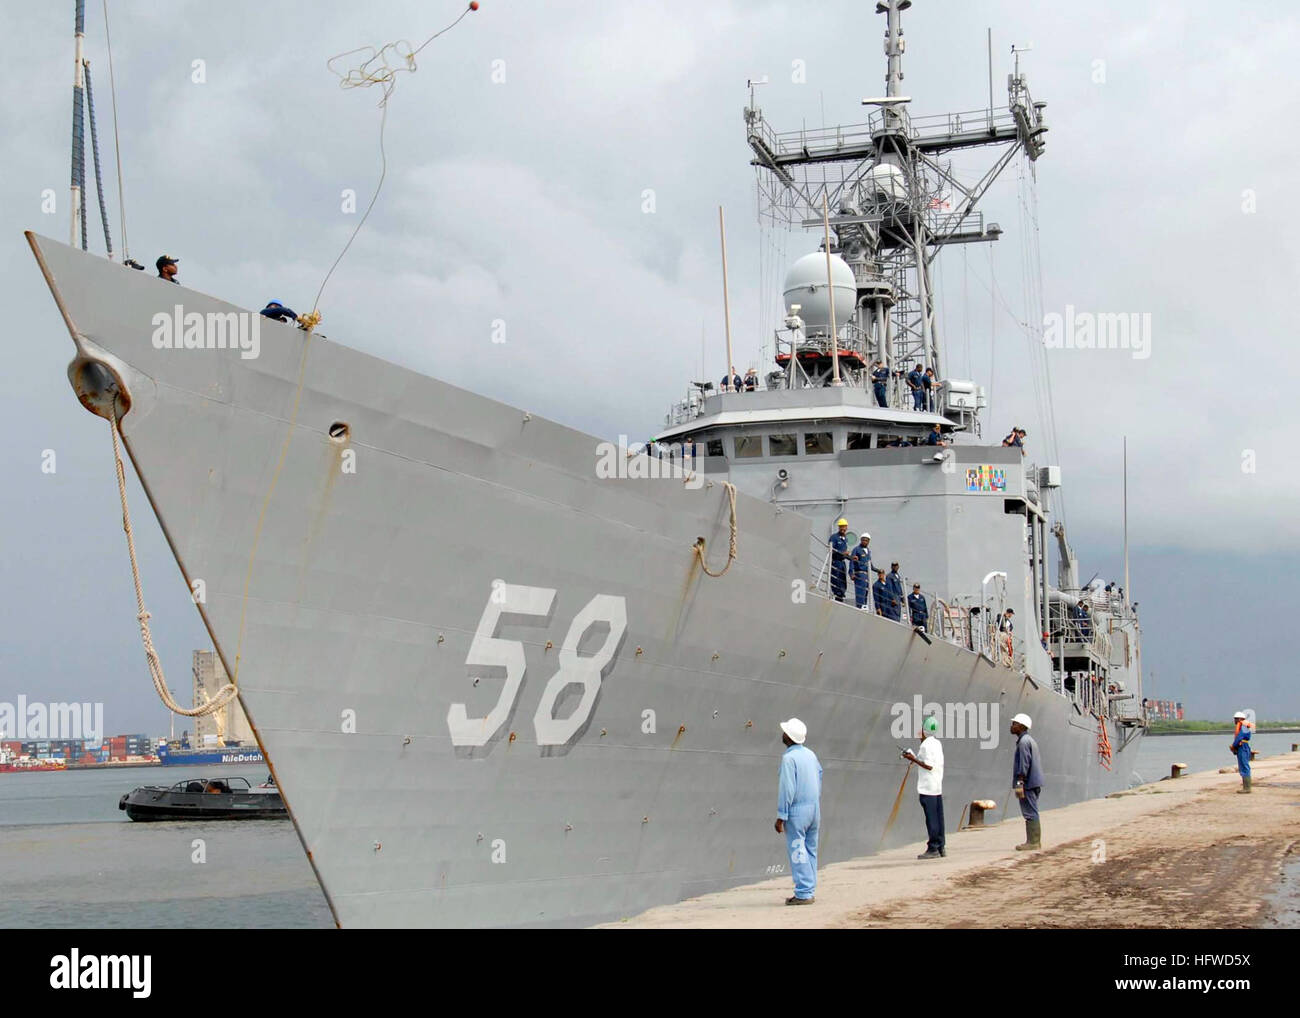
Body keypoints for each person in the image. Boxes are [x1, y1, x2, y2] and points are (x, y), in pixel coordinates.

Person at [775, 718, 822, 905]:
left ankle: (803, 893)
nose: (782, 733)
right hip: (814, 808)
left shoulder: (789, 758)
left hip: (797, 810)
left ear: (788, 736)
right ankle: (810, 888)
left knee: (797, 850)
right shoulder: (811, 755)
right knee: (811, 850)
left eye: (785, 731)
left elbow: (787, 789)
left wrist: (781, 816)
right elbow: (819, 775)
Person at [901, 715, 945, 858]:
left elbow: (928, 765)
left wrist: (911, 758)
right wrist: (915, 758)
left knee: (931, 818)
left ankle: (933, 848)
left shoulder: (926, 745)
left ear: (924, 731)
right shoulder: (937, 744)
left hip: (928, 787)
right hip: (937, 786)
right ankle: (941, 847)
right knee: (939, 818)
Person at [1010, 713, 1043, 850]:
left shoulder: (1023, 742)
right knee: (1031, 809)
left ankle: (1033, 842)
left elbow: (1023, 764)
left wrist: (1020, 783)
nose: (1012, 726)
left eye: (1014, 724)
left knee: (1029, 810)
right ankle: (1033, 841)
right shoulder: (1030, 740)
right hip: (1034, 781)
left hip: (1026, 782)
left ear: (1022, 726)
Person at [1230, 711, 1253, 794]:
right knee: (1243, 766)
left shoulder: (1243, 727)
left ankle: (1247, 788)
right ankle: (1246, 787)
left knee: (1244, 766)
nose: (1234, 721)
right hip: (1242, 746)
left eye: (1236, 719)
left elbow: (1239, 738)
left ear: (1240, 719)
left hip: (1242, 747)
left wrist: (1233, 746)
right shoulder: (1243, 726)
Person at [828, 519, 851, 602]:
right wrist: (842, 553)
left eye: (844, 527)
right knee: (836, 581)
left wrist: (852, 558)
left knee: (842, 581)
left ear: (846, 527)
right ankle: (837, 596)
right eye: (841, 526)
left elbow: (844, 553)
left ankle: (841, 596)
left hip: (842, 563)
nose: (843, 528)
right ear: (839, 527)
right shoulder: (834, 537)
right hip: (836, 562)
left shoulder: (845, 539)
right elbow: (831, 550)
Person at [849, 533, 873, 610]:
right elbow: (852, 561)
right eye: (863, 540)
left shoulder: (868, 551)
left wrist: (878, 570)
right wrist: (851, 573)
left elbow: (870, 565)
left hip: (867, 575)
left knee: (865, 593)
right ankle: (860, 608)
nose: (865, 542)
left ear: (869, 541)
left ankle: (864, 608)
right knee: (860, 594)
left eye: (866, 540)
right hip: (860, 574)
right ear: (861, 540)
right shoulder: (856, 549)